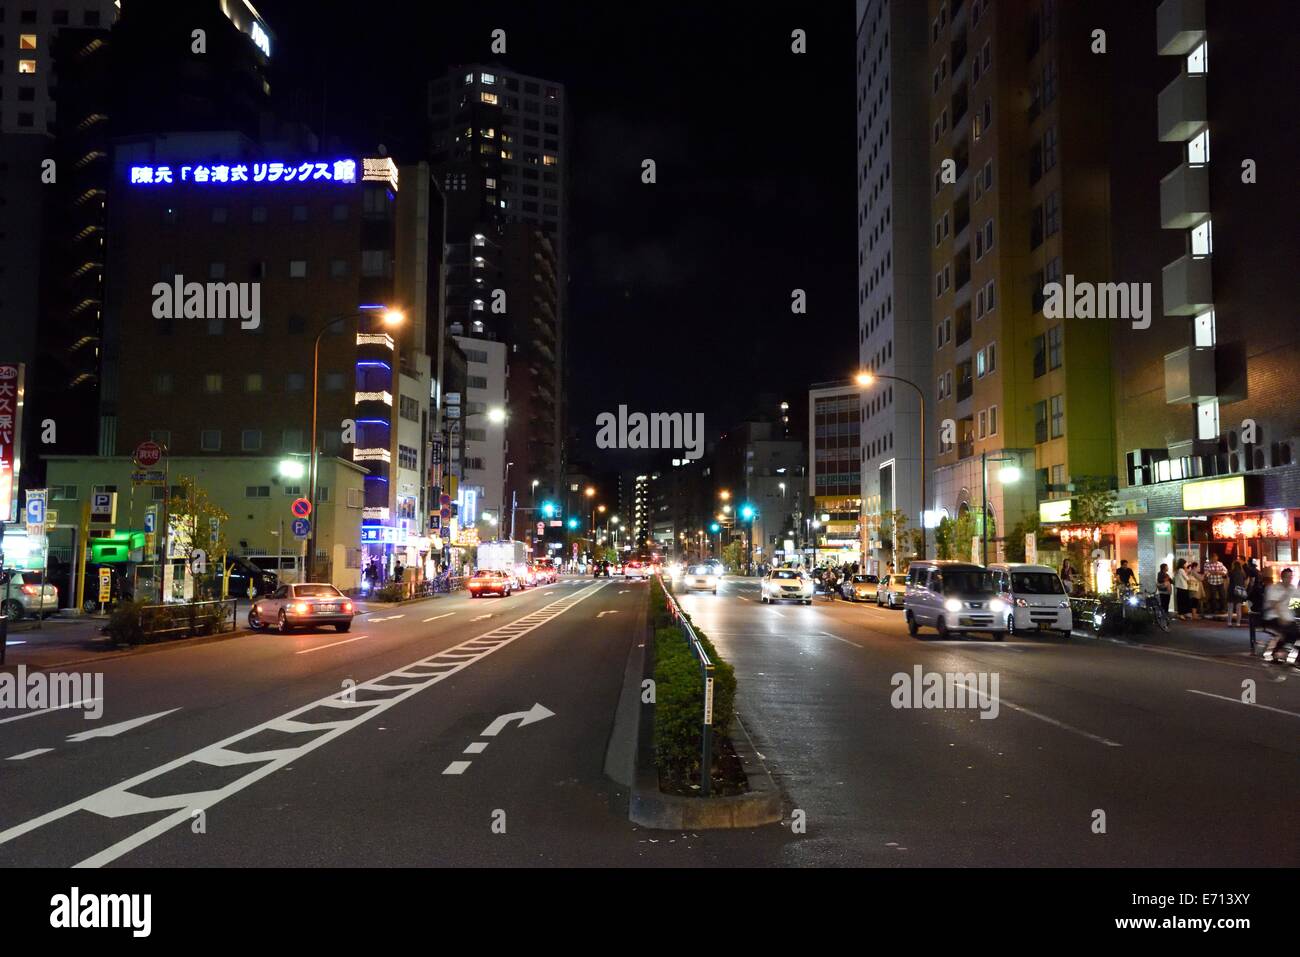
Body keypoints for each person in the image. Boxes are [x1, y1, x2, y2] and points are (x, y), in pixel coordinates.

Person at [1262, 568, 1298, 661]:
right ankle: (1276, 652)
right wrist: (1282, 618)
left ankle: (1283, 652)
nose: (1289, 579)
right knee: (1286, 631)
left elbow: (1295, 605)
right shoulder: (1273, 588)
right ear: (1282, 577)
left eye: (1291, 577)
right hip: (1273, 616)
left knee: (1295, 633)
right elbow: (1274, 605)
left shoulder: (1292, 589)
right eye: (1287, 577)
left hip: (1288, 617)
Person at [1226, 559, 1247, 627]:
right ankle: (1238, 623)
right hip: (1240, 590)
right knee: (1238, 608)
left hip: (1231, 590)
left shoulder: (1230, 572)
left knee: (1230, 607)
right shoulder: (1243, 573)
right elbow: (1245, 583)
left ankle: (1229, 623)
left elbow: (1228, 582)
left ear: (1233, 565)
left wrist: (1227, 589)